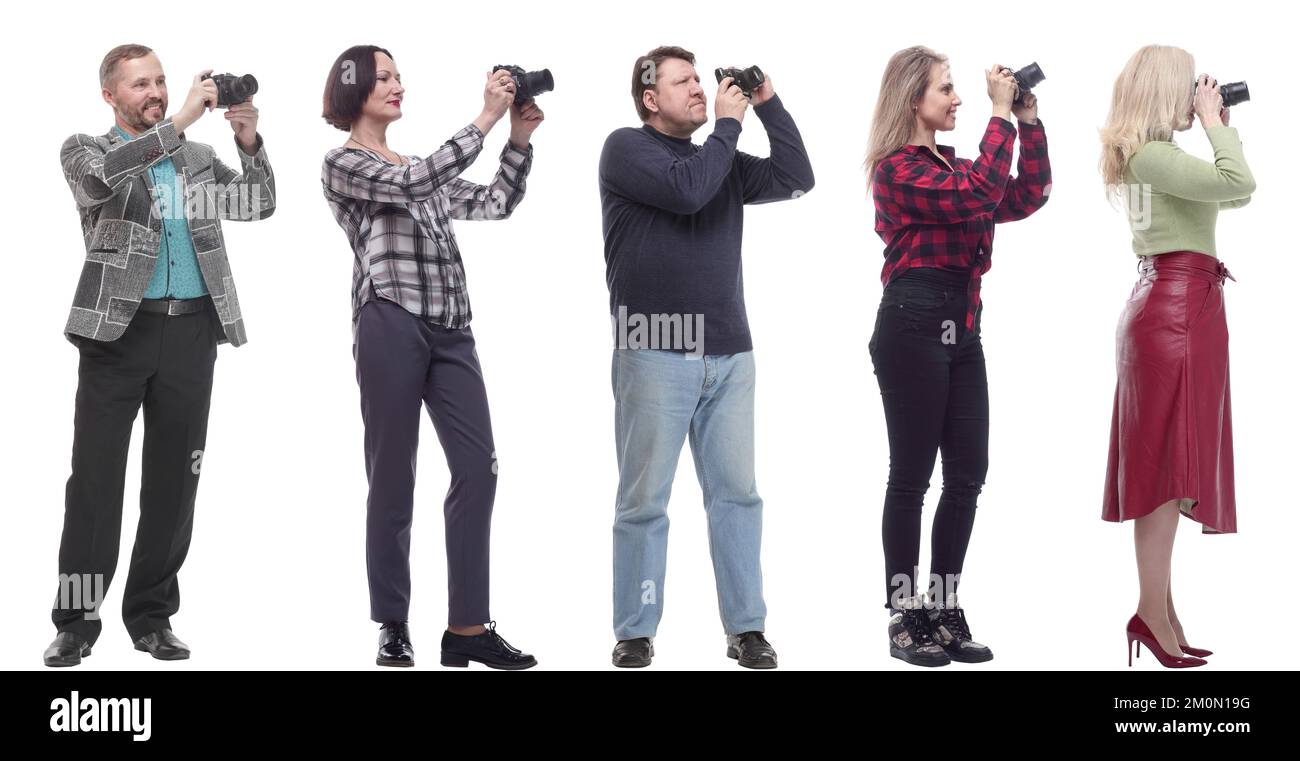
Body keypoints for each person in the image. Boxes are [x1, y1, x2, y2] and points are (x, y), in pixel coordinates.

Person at [45, 43, 275, 667]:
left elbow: (257, 204)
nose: (154, 92)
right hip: (118, 337)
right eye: (140, 84)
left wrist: (249, 144)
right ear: (110, 95)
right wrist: (176, 125)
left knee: (175, 484)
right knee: (95, 485)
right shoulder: (87, 151)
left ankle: (150, 616)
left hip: (192, 333)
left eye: (160, 81)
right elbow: (100, 181)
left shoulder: (198, 160)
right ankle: (76, 621)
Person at [321, 45, 542, 669]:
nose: (397, 85)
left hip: (452, 329)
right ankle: (393, 623)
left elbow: (496, 202)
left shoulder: (424, 165)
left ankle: (467, 629)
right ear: (353, 88)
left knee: (479, 469)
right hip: (389, 319)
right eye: (383, 77)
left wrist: (518, 138)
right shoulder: (343, 163)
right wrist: (486, 116)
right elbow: (416, 184)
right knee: (393, 475)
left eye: (398, 76)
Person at [598, 45, 815, 668]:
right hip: (654, 348)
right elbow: (689, 193)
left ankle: (746, 629)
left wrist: (767, 102)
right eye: (684, 81)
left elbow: (796, 176)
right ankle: (636, 631)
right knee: (645, 499)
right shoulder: (627, 149)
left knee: (737, 496)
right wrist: (727, 123)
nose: (699, 88)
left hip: (730, 353)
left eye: (702, 79)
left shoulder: (716, 157)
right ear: (650, 99)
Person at [864, 46, 1050, 667]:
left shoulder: (960, 167)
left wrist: (1026, 119)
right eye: (946, 89)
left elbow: (1027, 194)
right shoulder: (896, 170)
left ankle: (941, 607)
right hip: (913, 322)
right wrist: (1000, 113)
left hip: (962, 327)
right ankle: (902, 613)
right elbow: (975, 196)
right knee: (911, 477)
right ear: (912, 98)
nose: (958, 98)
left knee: (968, 474)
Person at [1098, 45, 1254, 668]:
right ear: (1166, 90)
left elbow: (1231, 195)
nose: (1200, 92)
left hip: (1177, 306)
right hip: (1177, 312)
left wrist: (1217, 130)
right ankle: (1150, 612)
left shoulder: (1153, 156)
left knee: (1171, 467)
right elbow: (1240, 182)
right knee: (1164, 475)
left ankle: (1160, 609)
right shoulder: (1152, 155)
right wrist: (1218, 124)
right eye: (1190, 85)